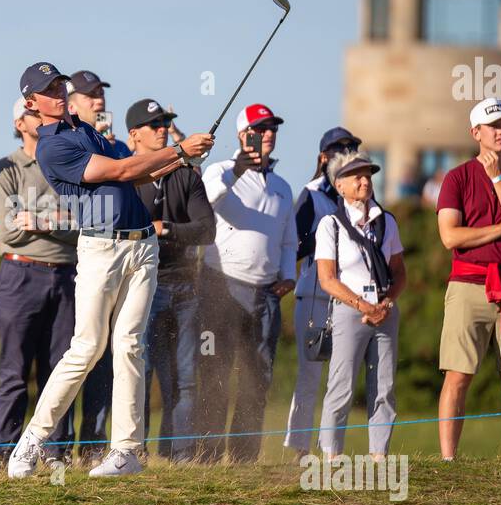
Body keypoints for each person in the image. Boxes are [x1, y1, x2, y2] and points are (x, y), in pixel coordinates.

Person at [7, 62, 214, 479]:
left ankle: (126, 452)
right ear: (32, 104)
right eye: (49, 90)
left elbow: (139, 171)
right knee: (86, 349)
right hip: (102, 249)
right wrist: (178, 151)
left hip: (143, 248)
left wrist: (180, 158)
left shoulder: (85, 129)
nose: (59, 92)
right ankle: (31, 441)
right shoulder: (51, 147)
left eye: (60, 84)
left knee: (131, 346)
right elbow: (118, 171)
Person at [435, 99, 501, 461]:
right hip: (468, 286)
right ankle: (448, 458)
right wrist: (500, 228)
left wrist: (498, 179)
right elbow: (450, 237)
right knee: (458, 373)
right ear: (475, 132)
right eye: (493, 125)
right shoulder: (457, 178)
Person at [196, 103, 296, 464]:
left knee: (258, 375)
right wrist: (239, 168)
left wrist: (289, 275)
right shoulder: (222, 170)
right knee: (215, 370)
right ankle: (206, 454)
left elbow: (288, 239)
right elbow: (208, 201)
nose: (268, 133)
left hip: (266, 293)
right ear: (243, 135)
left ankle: (242, 457)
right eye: (260, 128)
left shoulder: (283, 186)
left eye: (272, 128)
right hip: (220, 286)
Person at [0, 97, 78, 467]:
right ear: (19, 123)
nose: (39, 118)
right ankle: (7, 452)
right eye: (32, 114)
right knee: (15, 371)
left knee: (61, 370)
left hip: (67, 275)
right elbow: (6, 229)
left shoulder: (67, 163)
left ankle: (56, 454)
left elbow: (83, 224)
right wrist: (58, 219)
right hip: (19, 274)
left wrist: (40, 220)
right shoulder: (7, 168)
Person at [127, 98, 216, 462]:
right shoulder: (127, 175)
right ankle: (135, 452)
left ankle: (180, 456)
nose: (163, 128)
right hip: (142, 286)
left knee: (185, 376)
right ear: (134, 135)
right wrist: (158, 230)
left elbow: (206, 229)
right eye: (155, 124)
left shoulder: (186, 175)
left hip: (185, 288)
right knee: (140, 372)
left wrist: (167, 229)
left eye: (165, 123)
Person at [314, 151, 406, 459]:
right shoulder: (331, 224)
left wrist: (386, 303)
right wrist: (364, 307)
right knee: (341, 383)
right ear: (339, 185)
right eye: (357, 176)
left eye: (368, 175)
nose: (365, 181)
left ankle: (378, 452)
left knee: (384, 384)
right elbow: (327, 278)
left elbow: (399, 272)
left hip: (384, 310)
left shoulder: (386, 221)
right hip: (350, 309)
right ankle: (330, 452)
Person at [285, 126, 360, 458]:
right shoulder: (312, 193)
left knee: (342, 377)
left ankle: (331, 447)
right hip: (315, 293)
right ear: (323, 157)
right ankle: (300, 446)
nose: (346, 154)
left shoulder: (361, 196)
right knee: (310, 373)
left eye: (351, 148)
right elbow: (295, 246)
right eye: (339, 149)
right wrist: (325, 238)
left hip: (351, 296)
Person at [65, 69, 122, 462]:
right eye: (90, 94)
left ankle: (105, 446)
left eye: (101, 92)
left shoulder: (110, 143)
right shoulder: (68, 142)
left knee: (121, 352)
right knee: (86, 349)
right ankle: (42, 442)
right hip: (94, 253)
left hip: (126, 253)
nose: (98, 99)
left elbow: (130, 170)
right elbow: (117, 174)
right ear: (72, 104)